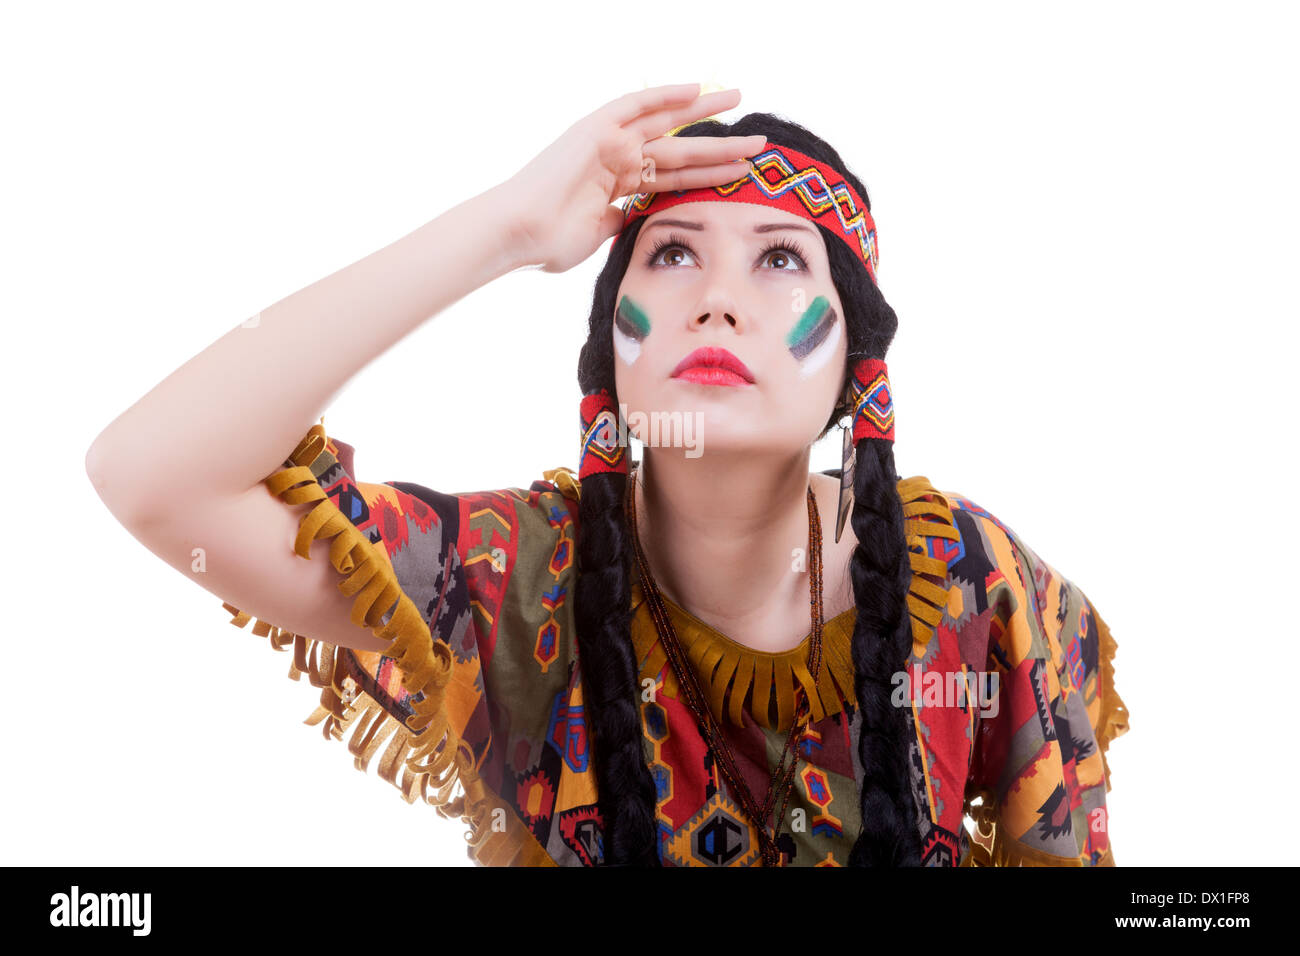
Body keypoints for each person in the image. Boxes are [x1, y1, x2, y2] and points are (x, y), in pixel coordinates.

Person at [85, 83, 1130, 867]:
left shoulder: (977, 586)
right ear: (607, 355)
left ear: (859, 365)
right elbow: (152, 474)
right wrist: (508, 228)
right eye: (672, 254)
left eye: (779, 259)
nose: (718, 301)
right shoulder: (515, 576)